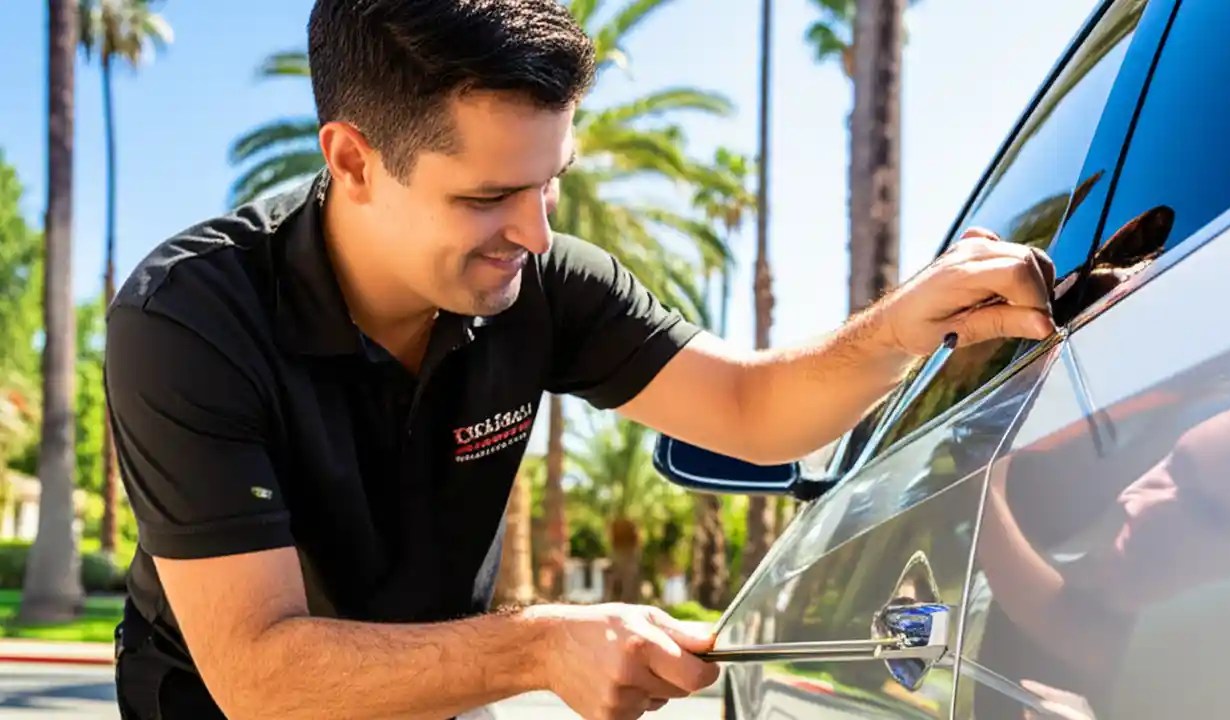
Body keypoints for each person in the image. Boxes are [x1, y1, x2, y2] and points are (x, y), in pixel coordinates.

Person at [104, 1, 1057, 718]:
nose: (535, 233)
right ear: (353, 161)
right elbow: (261, 675)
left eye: (551, 182)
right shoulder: (188, 319)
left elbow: (752, 409)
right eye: (489, 197)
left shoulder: (540, 281)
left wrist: (896, 330)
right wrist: (540, 647)